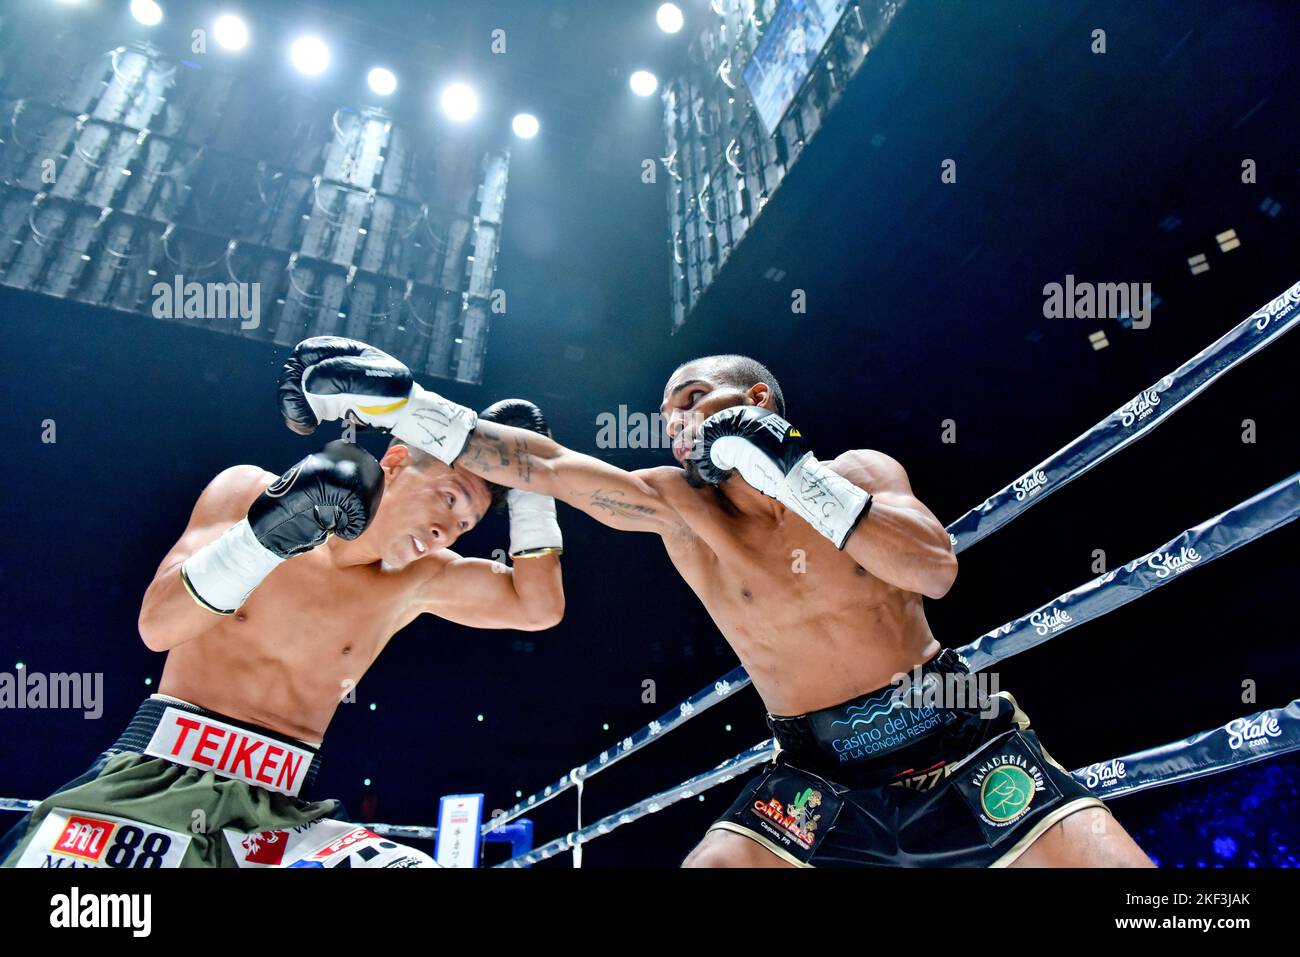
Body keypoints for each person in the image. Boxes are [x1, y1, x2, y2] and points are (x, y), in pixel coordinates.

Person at [276, 335, 1153, 868]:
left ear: (759, 400)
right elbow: (541, 465)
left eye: (693, 400)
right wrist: (405, 405)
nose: (677, 423)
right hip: (815, 771)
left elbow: (934, 570)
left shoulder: (858, 473)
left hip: (953, 739)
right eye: (667, 413)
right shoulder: (679, 507)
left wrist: (803, 480)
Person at [1, 395, 564, 869]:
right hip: (153, 782)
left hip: (281, 816)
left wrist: (531, 480)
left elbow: (537, 607)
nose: (448, 530)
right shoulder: (249, 490)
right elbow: (157, 625)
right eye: (449, 497)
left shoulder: (422, 579)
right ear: (395, 461)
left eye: (465, 525)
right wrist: (267, 536)